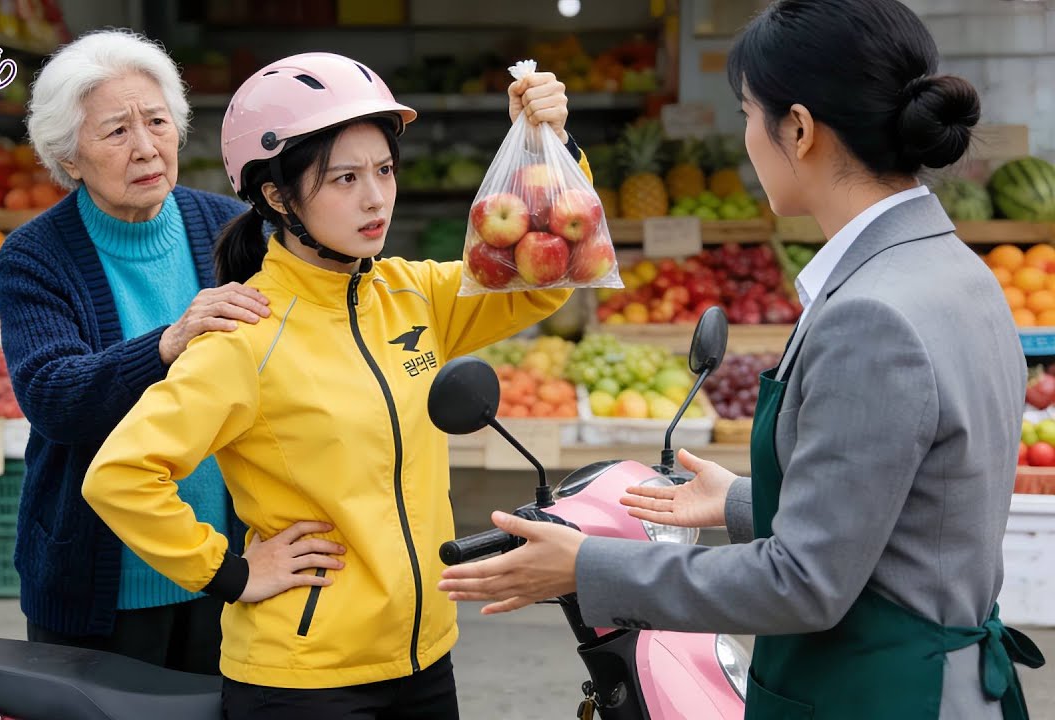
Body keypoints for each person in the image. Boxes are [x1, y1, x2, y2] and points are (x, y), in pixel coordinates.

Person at [437, 2, 1046, 718]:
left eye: (747, 113)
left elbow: (804, 582)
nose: (747, 137)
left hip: (880, 694)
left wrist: (587, 566)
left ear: (799, 129)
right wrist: (741, 501)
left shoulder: (872, 315)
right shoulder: (955, 270)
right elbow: (912, 519)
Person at [82, 52, 590, 718]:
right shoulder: (246, 334)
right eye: (344, 178)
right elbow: (120, 476)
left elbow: (546, 279)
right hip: (303, 680)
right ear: (276, 197)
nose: (375, 197)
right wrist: (232, 573)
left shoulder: (414, 294)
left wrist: (551, 145)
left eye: (384, 170)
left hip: (425, 656)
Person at [0, 29, 305, 674]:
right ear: (69, 157)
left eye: (157, 122)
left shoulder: (232, 227)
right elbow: (53, 397)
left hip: (231, 568)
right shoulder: (34, 256)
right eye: (116, 131)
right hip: (97, 583)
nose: (145, 147)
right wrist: (167, 343)